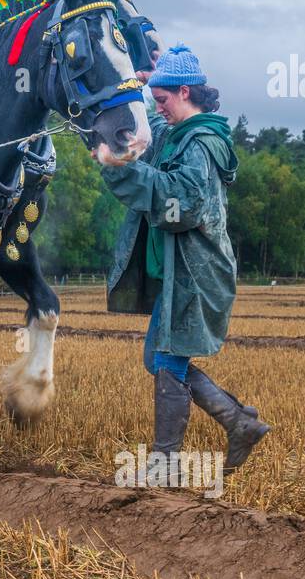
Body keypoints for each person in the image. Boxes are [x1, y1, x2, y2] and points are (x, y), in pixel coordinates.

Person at [96, 45, 269, 476]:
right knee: (156, 359)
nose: (159, 111)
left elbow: (182, 204)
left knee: (168, 361)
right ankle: (239, 422)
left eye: (164, 100)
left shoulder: (201, 145)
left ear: (185, 92)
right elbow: (154, 122)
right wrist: (139, 89)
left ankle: (164, 465)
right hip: (180, 274)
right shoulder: (179, 131)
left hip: (196, 274)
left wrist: (121, 165)